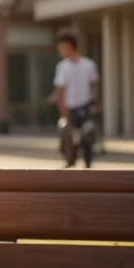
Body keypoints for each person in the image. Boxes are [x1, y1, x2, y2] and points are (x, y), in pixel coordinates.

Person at [53, 32, 99, 168]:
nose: (60, 51)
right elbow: (60, 91)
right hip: (70, 107)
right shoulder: (62, 67)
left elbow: (95, 84)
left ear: (69, 46)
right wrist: (63, 110)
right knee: (68, 137)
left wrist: (94, 101)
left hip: (85, 106)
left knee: (88, 136)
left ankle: (88, 164)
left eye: (62, 47)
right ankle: (70, 163)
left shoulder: (88, 64)